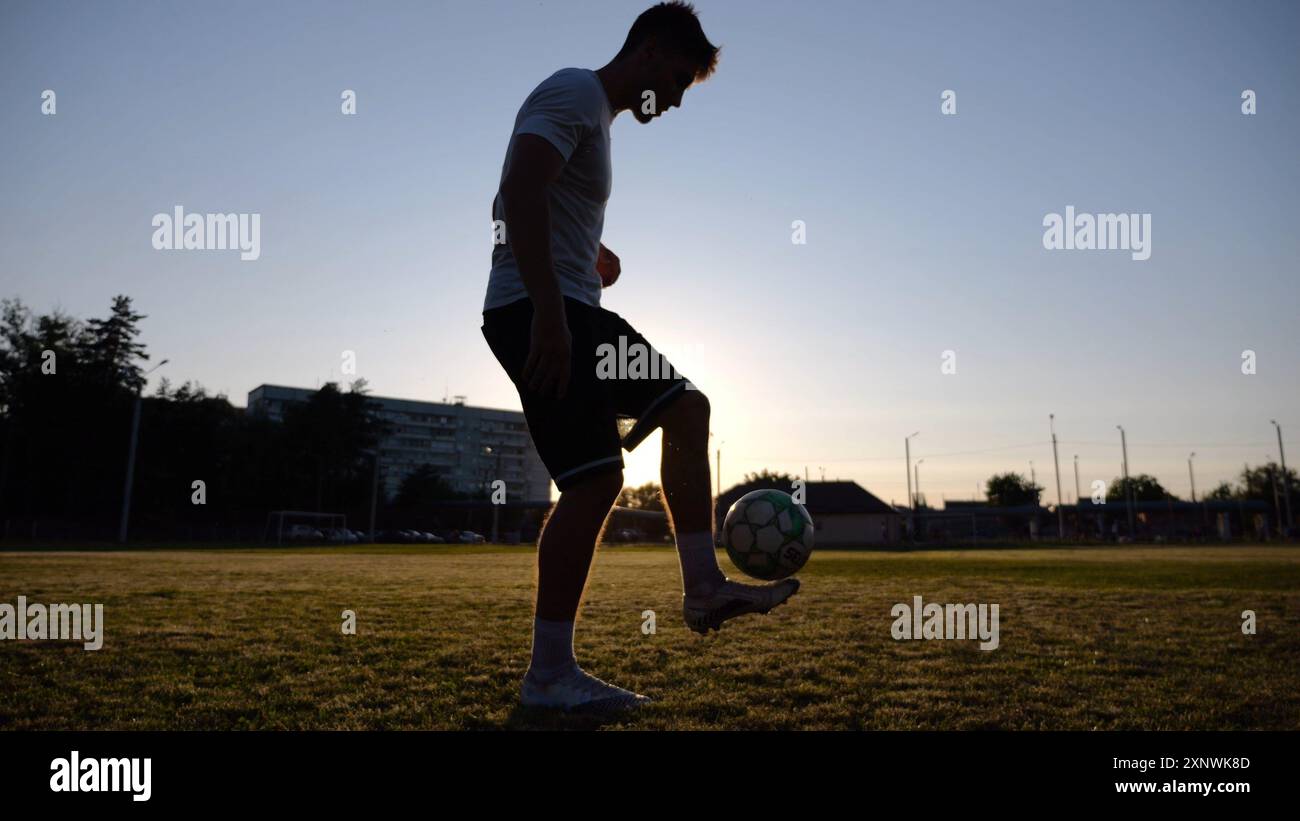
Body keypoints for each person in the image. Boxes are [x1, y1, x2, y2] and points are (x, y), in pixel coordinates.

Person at [481, 2, 800, 712]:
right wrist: (554, 315)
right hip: (541, 312)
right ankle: (567, 666)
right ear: (651, 51)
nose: (679, 100)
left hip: (560, 305)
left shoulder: (593, 117)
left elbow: (535, 198)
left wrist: (588, 256)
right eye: (681, 81)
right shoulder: (573, 91)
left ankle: (677, 601)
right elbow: (518, 190)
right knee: (637, 448)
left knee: (642, 445)